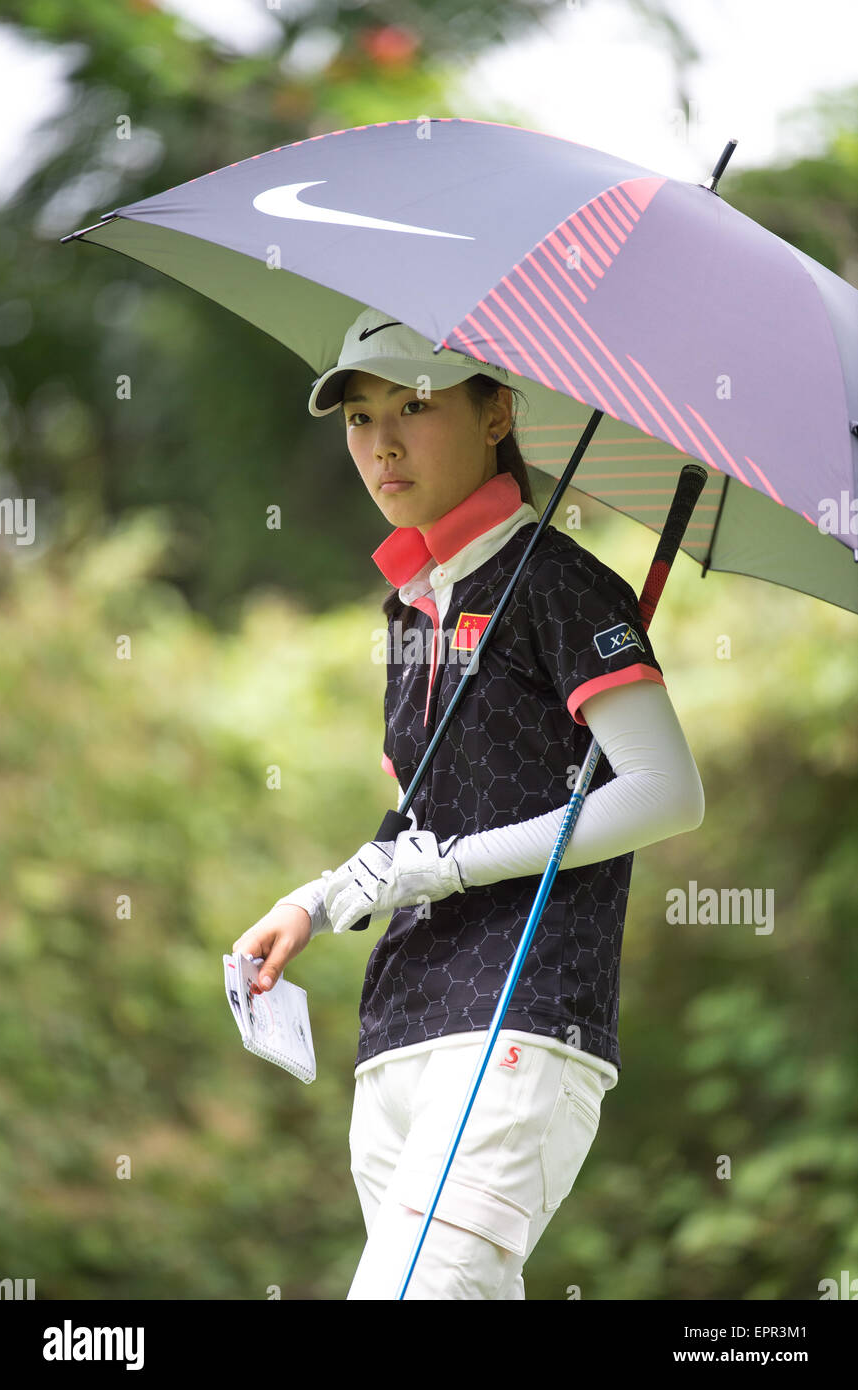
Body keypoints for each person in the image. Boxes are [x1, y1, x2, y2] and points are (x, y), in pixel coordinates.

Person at [231, 307, 705, 1300]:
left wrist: (450, 866)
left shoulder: (564, 587)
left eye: (413, 405)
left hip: (520, 1021)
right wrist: (314, 903)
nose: (381, 442)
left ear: (499, 414)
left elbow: (666, 792)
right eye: (359, 416)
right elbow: (418, 816)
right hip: (401, 1022)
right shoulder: (407, 608)